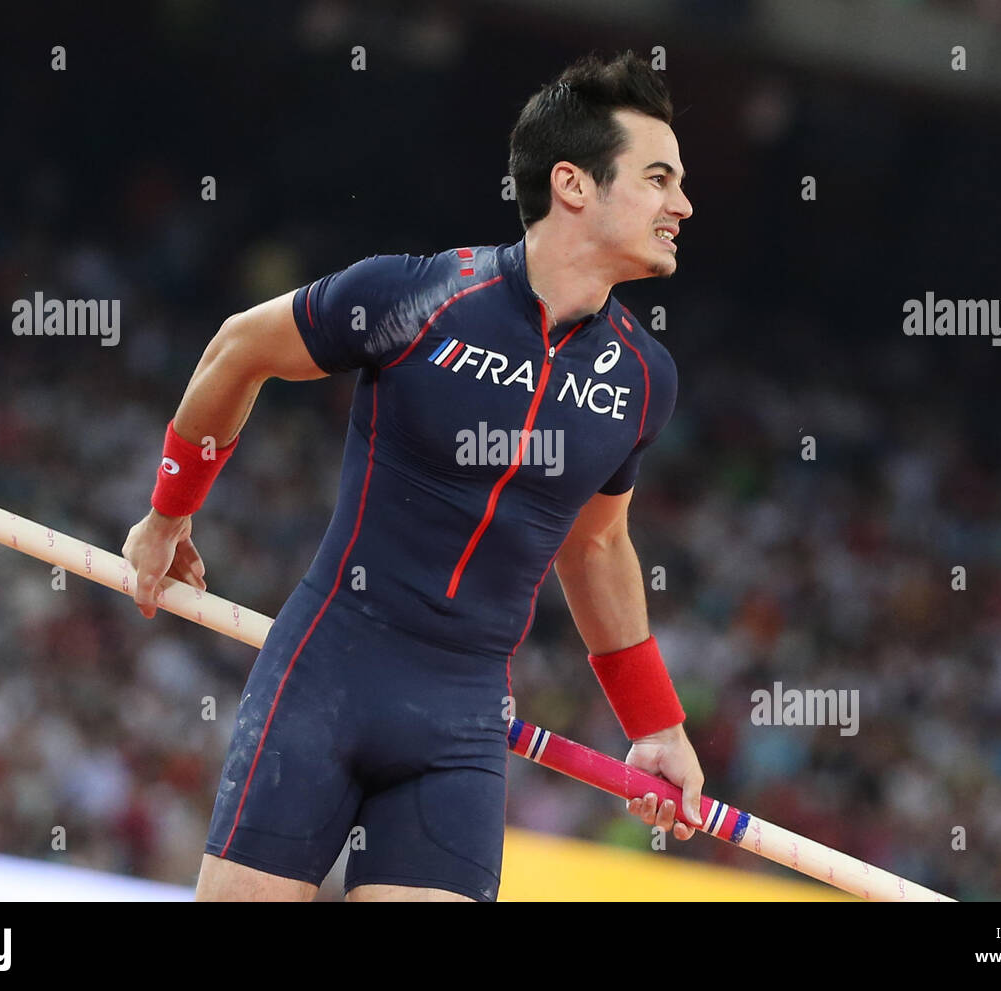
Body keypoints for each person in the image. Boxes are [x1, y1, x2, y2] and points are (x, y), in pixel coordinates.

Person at [121, 50, 701, 902]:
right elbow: (238, 348)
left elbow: (599, 544)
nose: (682, 205)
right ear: (574, 184)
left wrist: (656, 723)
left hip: (462, 724)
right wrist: (167, 517)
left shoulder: (645, 378)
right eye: (659, 179)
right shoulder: (421, 297)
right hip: (324, 676)